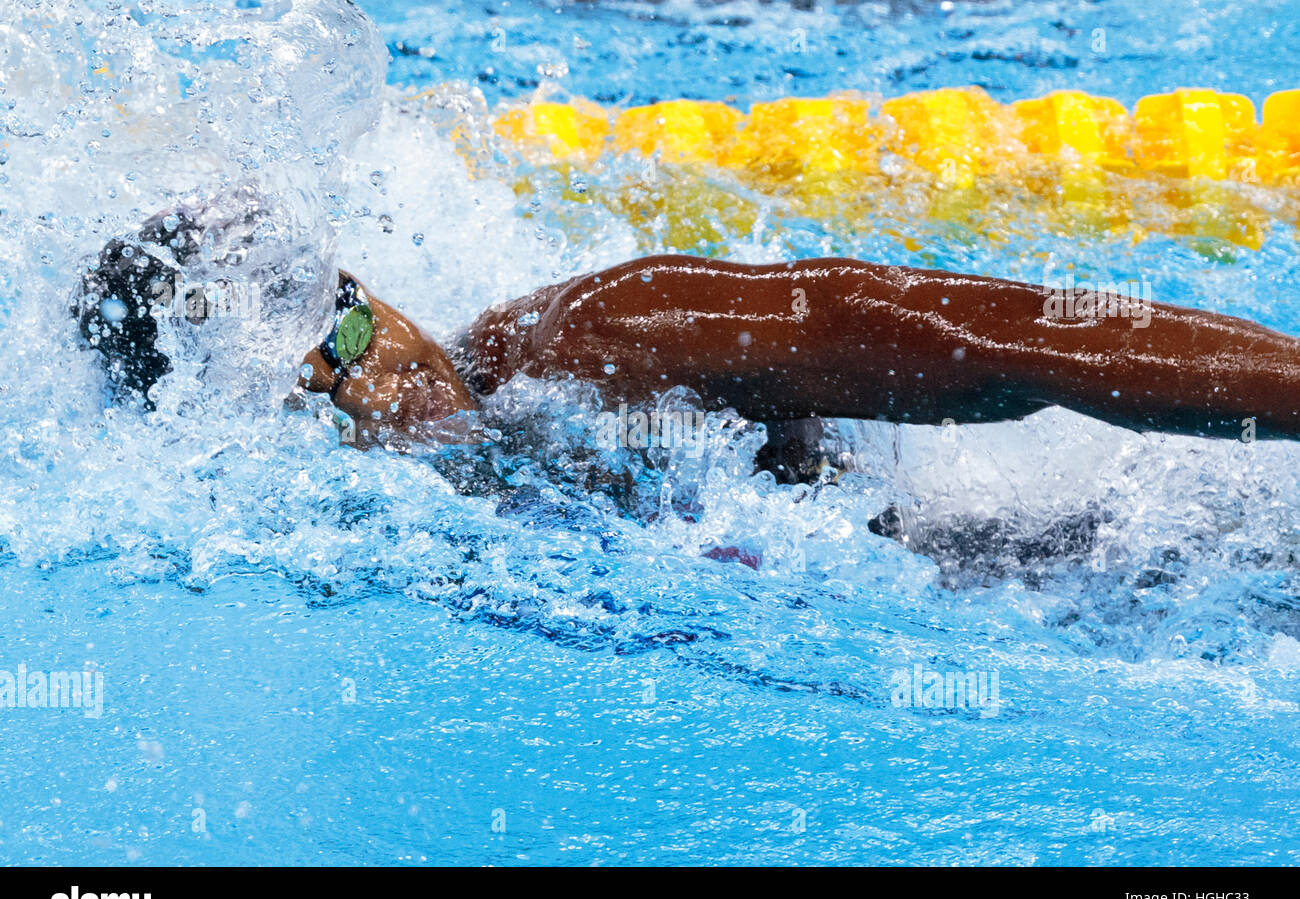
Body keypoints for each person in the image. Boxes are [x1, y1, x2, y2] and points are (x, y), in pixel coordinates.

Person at [75, 211, 1300, 487]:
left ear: (369, 287)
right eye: (310, 382)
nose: (363, 374)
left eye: (346, 325)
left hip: (1068, 589)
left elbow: (997, 338)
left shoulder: (611, 331)